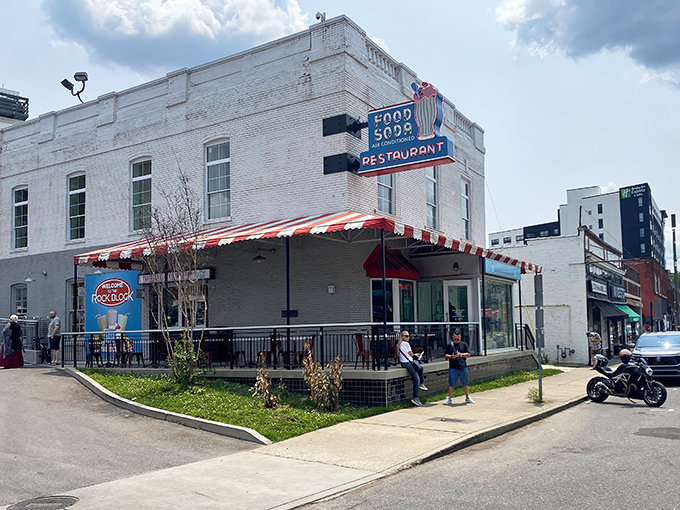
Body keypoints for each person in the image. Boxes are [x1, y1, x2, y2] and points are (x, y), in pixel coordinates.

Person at [396, 330, 427, 406]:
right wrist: (416, 355)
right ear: (402, 337)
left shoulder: (400, 345)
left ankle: (421, 384)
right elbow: (410, 353)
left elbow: (407, 354)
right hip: (407, 363)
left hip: (404, 363)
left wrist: (414, 355)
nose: (408, 337)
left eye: (409, 336)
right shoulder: (406, 344)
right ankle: (415, 397)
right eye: (406, 336)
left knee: (420, 368)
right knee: (416, 379)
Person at [444, 328, 474, 404]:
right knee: (452, 384)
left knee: (465, 383)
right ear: (453, 337)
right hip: (453, 367)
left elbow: (468, 354)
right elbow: (445, 355)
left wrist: (460, 355)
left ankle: (467, 397)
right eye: (455, 339)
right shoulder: (450, 346)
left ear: (460, 337)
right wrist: (452, 356)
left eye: (457, 339)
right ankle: (449, 398)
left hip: (462, 367)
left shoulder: (464, 345)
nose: (456, 340)